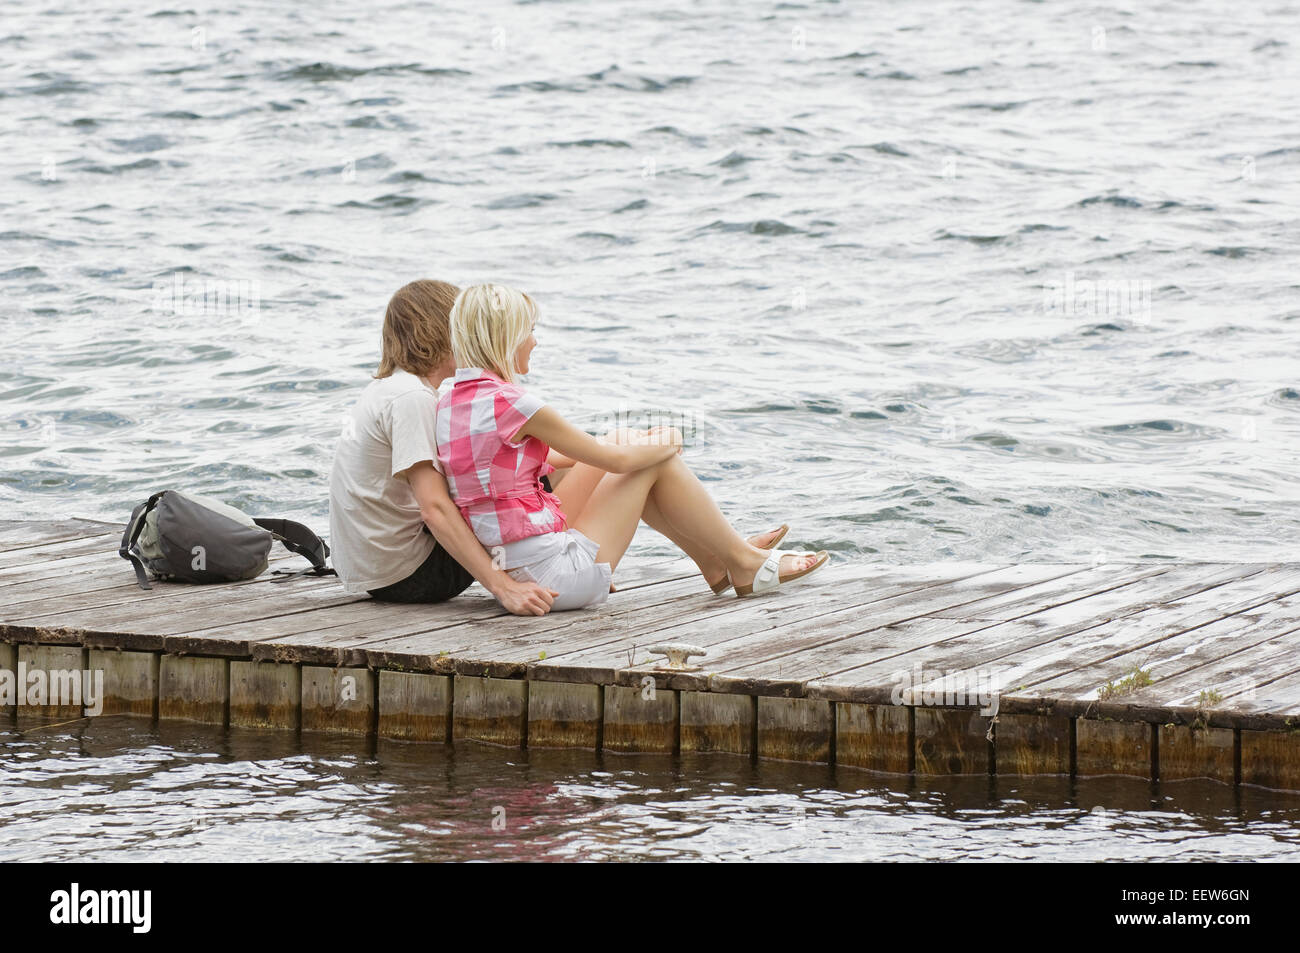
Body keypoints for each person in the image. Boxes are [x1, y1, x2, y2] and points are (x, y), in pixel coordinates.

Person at [434, 283, 830, 611]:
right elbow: (618, 463)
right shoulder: (516, 404)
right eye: (530, 331)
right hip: (556, 578)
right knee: (646, 464)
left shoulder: (451, 400)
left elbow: (540, 461)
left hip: (514, 564)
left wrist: (637, 442)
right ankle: (742, 562)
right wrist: (671, 439)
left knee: (630, 443)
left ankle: (714, 560)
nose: (535, 342)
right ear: (505, 336)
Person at [328, 280, 559, 615]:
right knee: (527, 477)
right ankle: (562, 572)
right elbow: (433, 508)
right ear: (445, 331)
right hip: (410, 575)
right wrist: (503, 587)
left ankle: (571, 566)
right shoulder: (412, 399)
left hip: (379, 571)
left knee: (530, 465)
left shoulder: (393, 388)